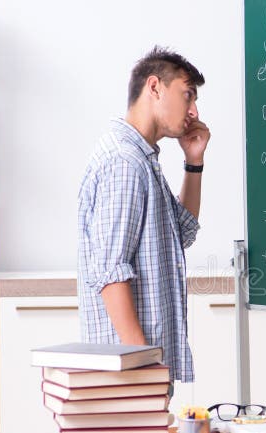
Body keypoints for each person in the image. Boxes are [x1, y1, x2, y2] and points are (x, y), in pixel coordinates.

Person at [77, 46, 210, 384]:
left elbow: (182, 233)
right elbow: (110, 271)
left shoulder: (141, 159)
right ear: (154, 87)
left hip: (138, 365)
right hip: (129, 373)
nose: (194, 111)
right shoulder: (125, 162)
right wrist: (142, 366)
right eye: (188, 95)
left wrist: (194, 162)